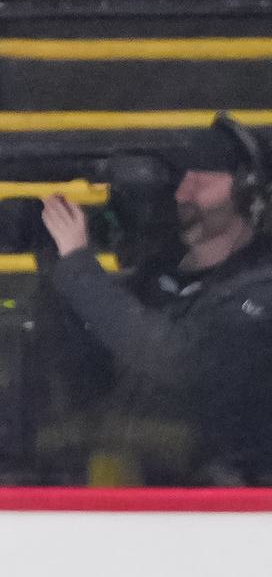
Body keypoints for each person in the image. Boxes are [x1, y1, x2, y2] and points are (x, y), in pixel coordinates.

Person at [40, 113, 272, 484]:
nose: (185, 189)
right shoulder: (155, 275)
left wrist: (79, 268)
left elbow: (176, 359)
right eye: (183, 177)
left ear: (247, 189)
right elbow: (85, 366)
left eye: (203, 177)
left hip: (226, 498)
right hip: (127, 486)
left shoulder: (260, 289)